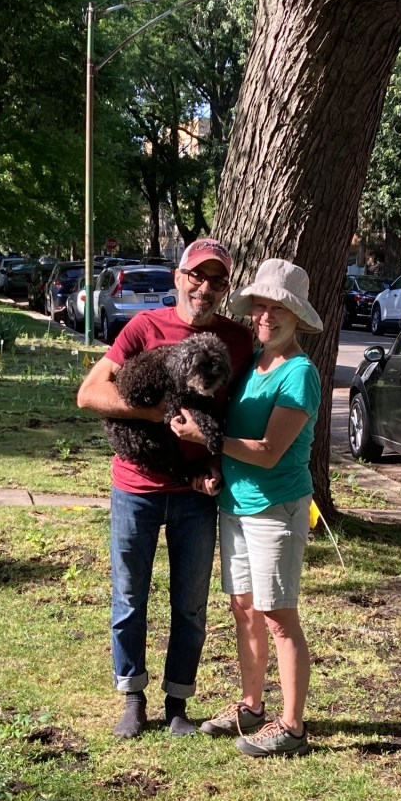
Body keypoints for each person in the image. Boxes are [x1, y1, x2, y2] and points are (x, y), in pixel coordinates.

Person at [76, 238, 252, 738]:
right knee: (130, 596)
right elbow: (90, 393)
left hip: (197, 493)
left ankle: (178, 702)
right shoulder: (144, 327)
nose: (205, 288)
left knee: (191, 602)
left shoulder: (237, 342)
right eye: (197, 276)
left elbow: (238, 413)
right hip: (136, 487)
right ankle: (132, 697)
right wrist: (154, 413)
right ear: (179, 277)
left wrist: (217, 462)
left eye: (218, 280)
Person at [174, 258, 322, 758]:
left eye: (278, 308)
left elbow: (267, 450)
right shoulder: (255, 363)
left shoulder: (299, 373)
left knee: (278, 615)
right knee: (244, 610)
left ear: (297, 316)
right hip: (235, 505)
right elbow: (238, 444)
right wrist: (215, 464)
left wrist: (207, 438)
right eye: (260, 305)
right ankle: (251, 706)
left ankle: (292, 727)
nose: (266, 316)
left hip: (274, 508)